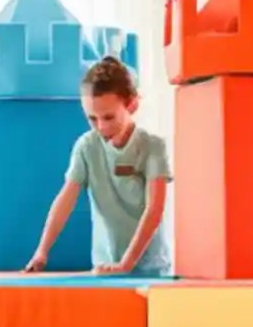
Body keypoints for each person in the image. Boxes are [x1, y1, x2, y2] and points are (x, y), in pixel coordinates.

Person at [24, 56, 172, 276]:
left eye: (109, 117)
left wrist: (126, 264)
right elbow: (65, 201)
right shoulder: (86, 147)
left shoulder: (153, 147)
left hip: (150, 269)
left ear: (132, 104)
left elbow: (154, 210)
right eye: (92, 118)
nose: (101, 127)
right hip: (105, 269)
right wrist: (41, 252)